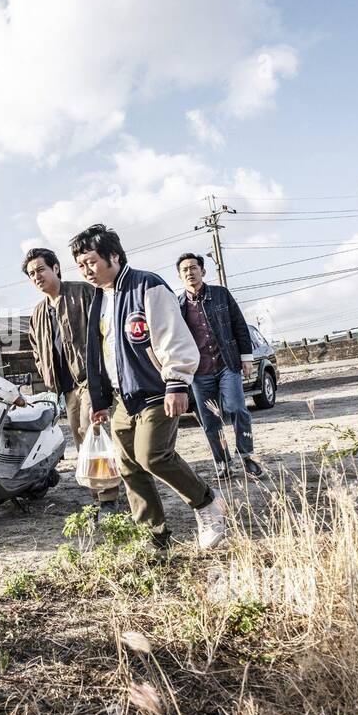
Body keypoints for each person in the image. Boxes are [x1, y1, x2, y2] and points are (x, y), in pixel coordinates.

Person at [72, 224, 228, 552]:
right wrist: (99, 400)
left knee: (153, 456)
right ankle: (155, 539)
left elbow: (174, 335)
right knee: (128, 467)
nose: (86, 270)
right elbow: (99, 353)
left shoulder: (147, 285)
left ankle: (207, 503)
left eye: (90, 261)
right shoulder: (100, 300)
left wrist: (176, 383)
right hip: (120, 398)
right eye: (80, 265)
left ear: (113, 255)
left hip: (156, 389)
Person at [24, 247, 120, 515]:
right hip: (66, 387)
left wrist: (104, 371)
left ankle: (108, 498)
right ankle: (99, 496)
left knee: (93, 430)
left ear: (55, 268)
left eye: (41, 269)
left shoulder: (83, 293)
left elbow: (105, 328)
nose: (37, 276)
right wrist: (45, 371)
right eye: (32, 274)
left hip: (90, 377)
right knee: (80, 439)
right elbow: (35, 347)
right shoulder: (38, 312)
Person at [175, 253, 264, 480]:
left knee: (236, 408)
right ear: (180, 276)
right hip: (199, 371)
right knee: (209, 420)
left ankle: (247, 457)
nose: (190, 272)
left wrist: (246, 357)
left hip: (227, 364)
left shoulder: (221, 294)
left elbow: (239, 326)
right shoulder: (178, 305)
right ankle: (222, 462)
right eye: (184, 270)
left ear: (202, 272)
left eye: (193, 268)